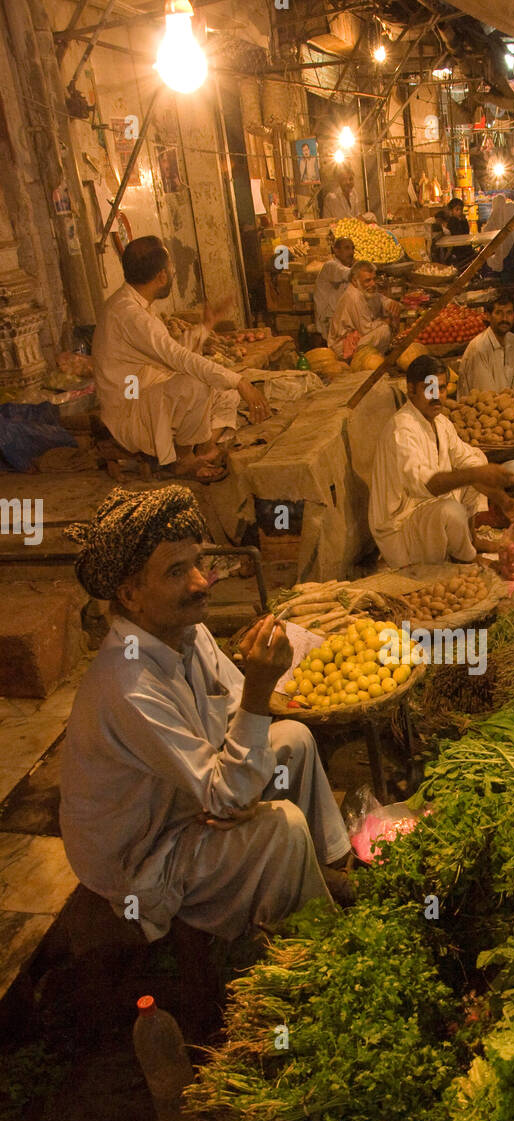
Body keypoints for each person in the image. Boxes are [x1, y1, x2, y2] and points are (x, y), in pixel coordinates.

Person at [60, 487, 351, 945]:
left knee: (293, 739)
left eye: (197, 563)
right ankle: (315, 943)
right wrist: (259, 690)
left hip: (192, 803)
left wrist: (232, 792)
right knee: (283, 828)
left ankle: (331, 869)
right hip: (145, 855)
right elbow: (230, 784)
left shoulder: (187, 632)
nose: (200, 582)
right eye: (177, 572)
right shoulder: (127, 683)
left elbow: (237, 716)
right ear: (130, 594)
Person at [91, 236, 270, 484]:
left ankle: (205, 450)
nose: (174, 273)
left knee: (223, 388)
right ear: (162, 277)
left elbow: (168, 353)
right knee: (196, 384)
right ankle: (182, 460)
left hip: (145, 393)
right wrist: (240, 381)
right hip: (129, 408)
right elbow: (177, 358)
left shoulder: (133, 303)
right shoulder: (129, 314)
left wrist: (206, 326)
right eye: (172, 268)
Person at [369, 354, 514, 568]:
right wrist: (477, 475)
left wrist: (502, 500)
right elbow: (429, 483)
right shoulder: (402, 429)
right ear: (411, 389)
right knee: (452, 509)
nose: (437, 396)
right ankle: (466, 558)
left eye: (441, 388)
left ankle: (470, 540)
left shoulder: (440, 422)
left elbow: (468, 463)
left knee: (476, 459)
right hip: (401, 528)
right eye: (429, 388)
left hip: (427, 510)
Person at [327, 260, 400, 361]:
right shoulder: (353, 296)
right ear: (354, 281)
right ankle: (370, 360)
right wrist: (385, 321)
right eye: (367, 280)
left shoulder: (366, 290)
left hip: (359, 339)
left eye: (374, 279)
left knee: (386, 327)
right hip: (343, 347)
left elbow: (381, 299)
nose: (373, 284)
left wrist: (392, 303)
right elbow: (365, 329)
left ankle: (374, 359)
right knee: (384, 331)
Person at [313, 237, 354, 339]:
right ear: (336, 250)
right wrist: (368, 267)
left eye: (353, 248)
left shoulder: (346, 266)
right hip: (329, 321)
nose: (351, 252)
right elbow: (346, 273)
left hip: (338, 318)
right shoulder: (331, 265)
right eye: (347, 248)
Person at [485, 193, 514, 275]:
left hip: (506, 249)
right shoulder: (512, 209)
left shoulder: (497, 212)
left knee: (504, 266)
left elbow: (487, 230)